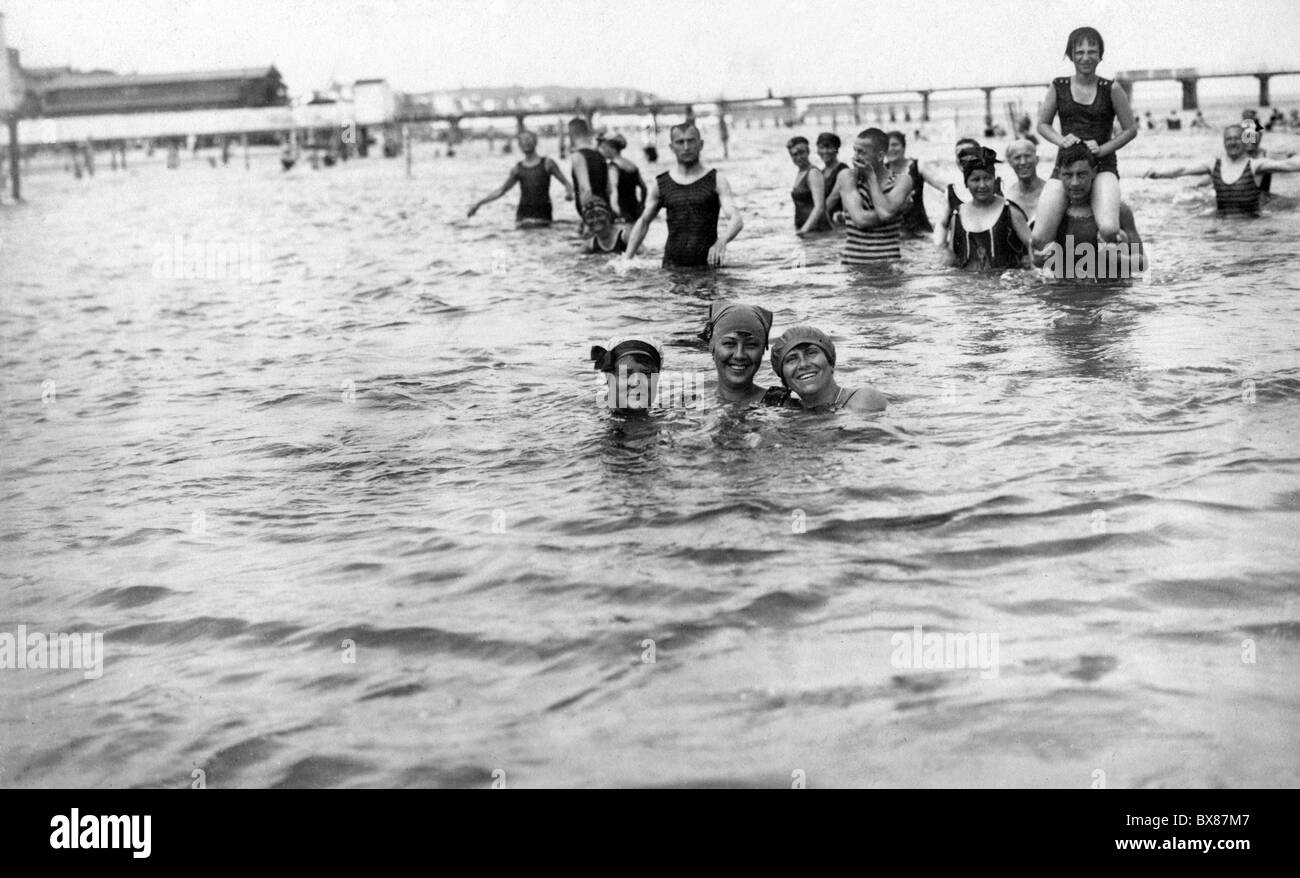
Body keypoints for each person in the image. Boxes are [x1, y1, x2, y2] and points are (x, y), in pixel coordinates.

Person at [1032, 26, 1138, 252]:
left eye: (1092, 51)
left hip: (1103, 166)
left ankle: (1123, 259)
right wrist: (1060, 140)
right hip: (1065, 167)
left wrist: (1103, 148)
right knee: (1039, 238)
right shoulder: (1058, 86)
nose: (1086, 57)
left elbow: (1130, 129)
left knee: (1109, 229)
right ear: (1071, 55)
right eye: (1079, 52)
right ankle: (1057, 279)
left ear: (1100, 54)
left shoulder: (1111, 88)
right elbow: (1042, 125)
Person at [622, 122, 744, 268]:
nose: (686, 147)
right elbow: (643, 222)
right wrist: (627, 260)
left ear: (701, 144)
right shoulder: (661, 184)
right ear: (671, 147)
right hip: (672, 267)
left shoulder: (716, 180)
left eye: (691, 141)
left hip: (708, 266)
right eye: (680, 142)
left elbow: (736, 219)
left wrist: (722, 241)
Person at [1037, 144, 1144, 281]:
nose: (1075, 183)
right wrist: (1039, 260)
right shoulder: (1052, 214)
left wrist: (1118, 258)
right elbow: (1037, 262)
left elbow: (1142, 264)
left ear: (1094, 172)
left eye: (1081, 174)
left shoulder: (1118, 211)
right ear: (1059, 174)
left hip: (1110, 297)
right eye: (1068, 175)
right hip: (1066, 296)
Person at [1145, 124, 1300, 215]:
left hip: (1253, 228)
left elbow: (1290, 165)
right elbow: (1182, 169)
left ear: (1245, 141)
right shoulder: (1214, 165)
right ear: (1224, 142)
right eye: (1228, 139)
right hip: (1222, 226)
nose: (1232, 143)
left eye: (1236, 139)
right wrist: (1159, 173)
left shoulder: (1255, 165)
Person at [836, 128, 914, 264]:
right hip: (854, 267)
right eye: (855, 150)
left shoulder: (902, 180)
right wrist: (897, 210)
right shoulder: (847, 177)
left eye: (861, 152)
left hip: (889, 266)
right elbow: (861, 220)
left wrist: (871, 177)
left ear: (880, 156)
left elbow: (885, 212)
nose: (855, 157)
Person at [946, 147, 1031, 271]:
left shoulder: (1009, 211)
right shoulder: (958, 215)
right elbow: (951, 255)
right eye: (975, 180)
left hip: (1006, 284)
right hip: (967, 285)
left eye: (987, 178)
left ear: (994, 179)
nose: (982, 185)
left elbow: (1033, 246)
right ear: (966, 183)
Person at [467, 130, 573, 227]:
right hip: (523, 218)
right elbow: (502, 190)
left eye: (529, 139)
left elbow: (566, 183)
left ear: (536, 142)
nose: (526, 142)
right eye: (523, 140)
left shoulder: (547, 163)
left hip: (543, 216)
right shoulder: (517, 169)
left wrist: (569, 193)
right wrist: (479, 203)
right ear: (519, 145)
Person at [770, 327, 887, 413]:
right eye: (791, 359)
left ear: (830, 362)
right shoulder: (789, 412)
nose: (803, 364)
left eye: (811, 353)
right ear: (784, 379)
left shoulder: (863, 398)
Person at [699, 301, 788, 406]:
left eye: (750, 345)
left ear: (763, 350)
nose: (739, 355)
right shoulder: (690, 402)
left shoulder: (779, 404)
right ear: (712, 348)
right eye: (729, 343)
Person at [591, 335, 663, 413]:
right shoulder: (588, 418)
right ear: (609, 379)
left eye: (646, 373)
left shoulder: (668, 417)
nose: (636, 382)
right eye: (625, 374)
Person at [885, 130, 933, 237]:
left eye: (895, 145)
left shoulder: (917, 166)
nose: (890, 149)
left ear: (904, 147)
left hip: (920, 231)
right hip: (893, 233)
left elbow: (945, 188)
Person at [598, 133, 647, 224]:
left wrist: (615, 210)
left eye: (604, 148)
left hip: (621, 211)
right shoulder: (632, 165)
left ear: (611, 149)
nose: (602, 151)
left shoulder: (613, 167)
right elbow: (644, 188)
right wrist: (642, 205)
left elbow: (613, 190)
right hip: (635, 209)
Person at [568, 117, 610, 218]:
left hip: (592, 213)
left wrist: (589, 217)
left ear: (571, 133)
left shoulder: (578, 156)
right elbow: (609, 188)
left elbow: (586, 189)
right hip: (604, 208)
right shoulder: (599, 154)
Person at [787, 136, 829, 235]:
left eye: (802, 152)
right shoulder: (801, 172)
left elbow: (819, 206)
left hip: (818, 230)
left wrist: (804, 230)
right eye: (794, 154)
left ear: (808, 152)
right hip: (807, 229)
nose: (799, 157)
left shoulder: (813, 173)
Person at [1004, 139, 1046, 226]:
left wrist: (1070, 240)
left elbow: (1070, 230)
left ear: (1037, 159)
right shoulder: (1007, 197)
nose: (1023, 162)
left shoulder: (1051, 192)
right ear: (1010, 163)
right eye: (1017, 158)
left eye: (1027, 156)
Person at [815, 132, 853, 222]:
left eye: (828, 147)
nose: (825, 151)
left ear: (836, 149)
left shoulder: (843, 170)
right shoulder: (821, 172)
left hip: (839, 219)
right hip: (826, 218)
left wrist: (815, 218)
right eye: (821, 148)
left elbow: (834, 198)